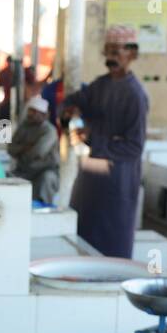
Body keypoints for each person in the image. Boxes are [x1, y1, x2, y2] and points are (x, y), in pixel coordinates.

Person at [62, 24, 149, 259]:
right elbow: (75, 100)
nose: (111, 57)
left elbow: (134, 147)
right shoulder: (100, 85)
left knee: (111, 251)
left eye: (117, 51)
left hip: (117, 182)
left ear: (131, 54)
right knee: (82, 240)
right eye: (108, 51)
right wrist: (70, 111)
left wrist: (93, 138)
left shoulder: (135, 96)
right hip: (90, 178)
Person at [7, 95, 59, 204]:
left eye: (34, 112)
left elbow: (38, 152)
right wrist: (26, 147)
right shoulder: (24, 126)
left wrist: (20, 149)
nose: (30, 114)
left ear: (44, 115)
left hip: (43, 171)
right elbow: (10, 149)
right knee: (5, 179)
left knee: (47, 179)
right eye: (30, 111)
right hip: (23, 171)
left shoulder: (49, 131)